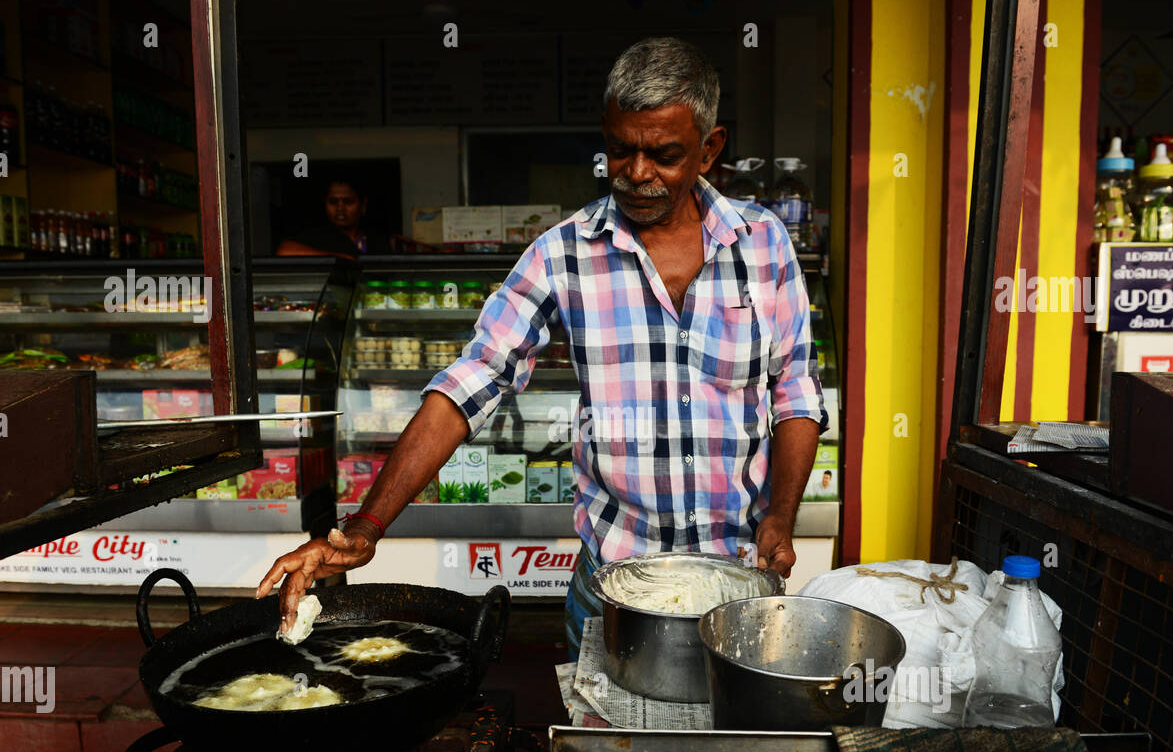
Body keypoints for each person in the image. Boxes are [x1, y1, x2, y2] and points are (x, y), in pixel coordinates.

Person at [257, 37, 827, 657]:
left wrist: (781, 514)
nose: (637, 173)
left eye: (663, 154)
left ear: (709, 149)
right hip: (614, 593)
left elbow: (794, 388)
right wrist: (366, 527)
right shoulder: (564, 252)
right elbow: (472, 381)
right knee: (607, 749)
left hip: (738, 584)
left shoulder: (763, 242)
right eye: (620, 150)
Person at [275, 176, 385, 257]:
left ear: (363, 205)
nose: (340, 208)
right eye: (333, 202)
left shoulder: (375, 239)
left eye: (348, 202)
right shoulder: (317, 236)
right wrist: (340, 258)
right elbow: (284, 251)